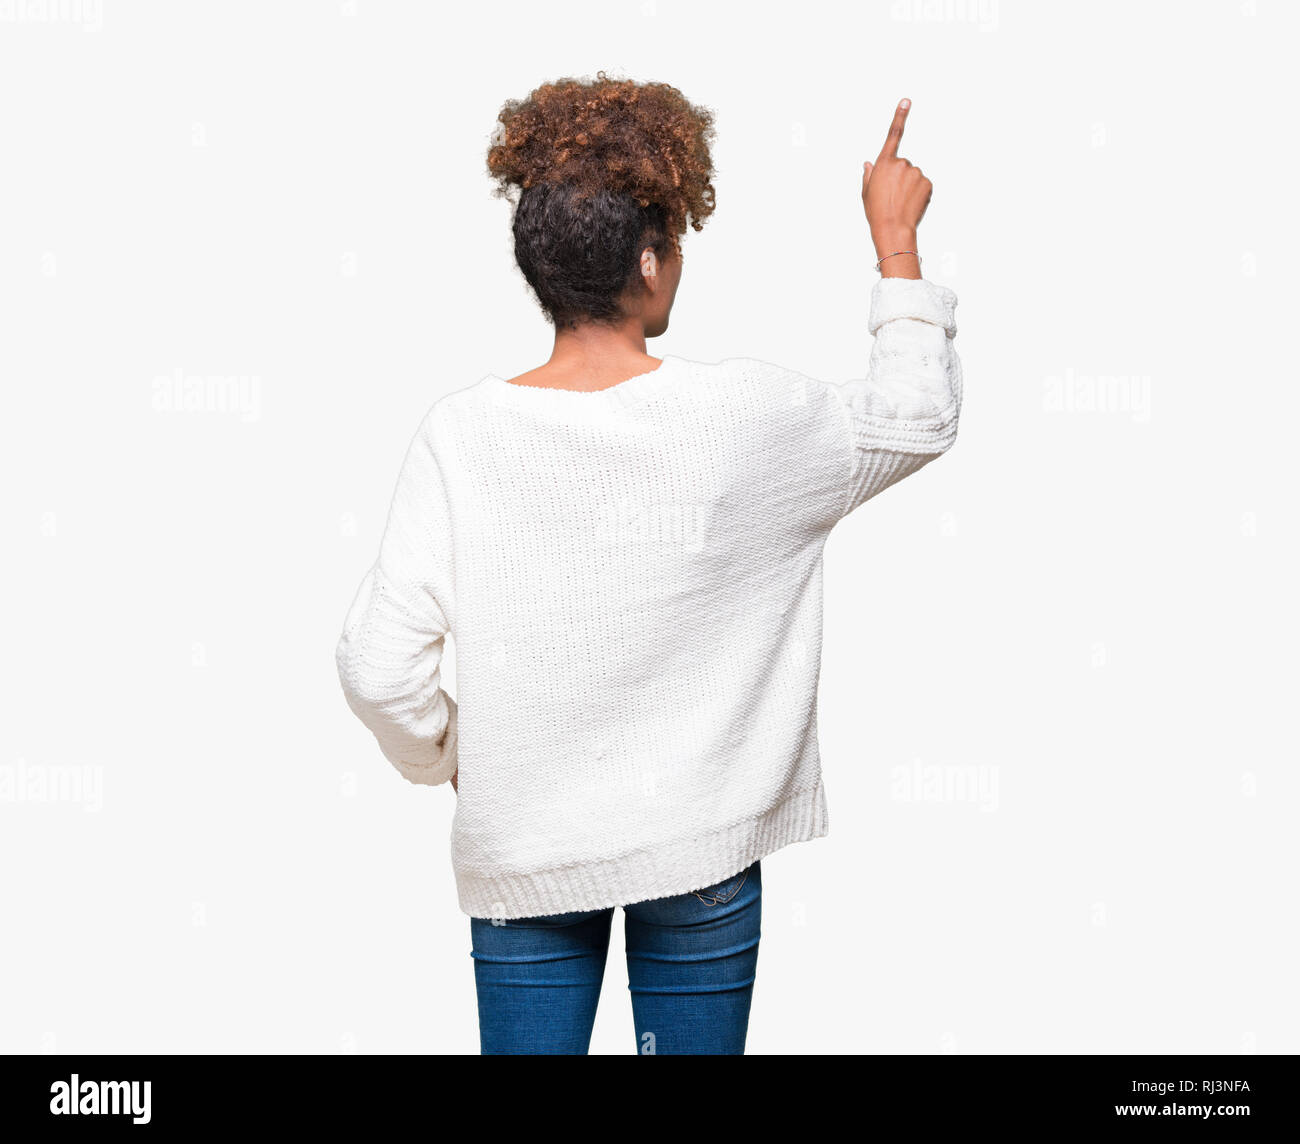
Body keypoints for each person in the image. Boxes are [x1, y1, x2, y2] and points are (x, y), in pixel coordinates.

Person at [334, 73, 961, 1054]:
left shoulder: (461, 438)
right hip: (698, 849)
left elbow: (378, 664)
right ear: (649, 258)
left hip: (526, 850)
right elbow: (915, 416)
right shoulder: (746, 422)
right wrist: (894, 242)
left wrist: (451, 756)